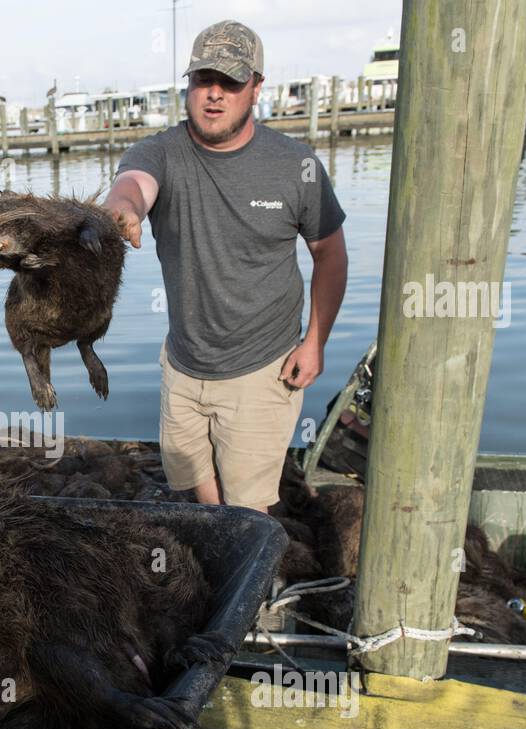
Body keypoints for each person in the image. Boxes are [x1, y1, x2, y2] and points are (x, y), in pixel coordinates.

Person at [104, 19, 348, 513]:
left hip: (263, 367)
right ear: (188, 86)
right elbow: (132, 185)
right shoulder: (160, 152)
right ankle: (219, 530)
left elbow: (330, 253)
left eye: (231, 82)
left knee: (247, 507)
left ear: (256, 88)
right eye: (202, 80)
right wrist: (122, 211)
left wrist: (316, 342)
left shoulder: (295, 166)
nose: (214, 95)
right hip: (183, 363)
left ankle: (250, 571)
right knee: (194, 477)